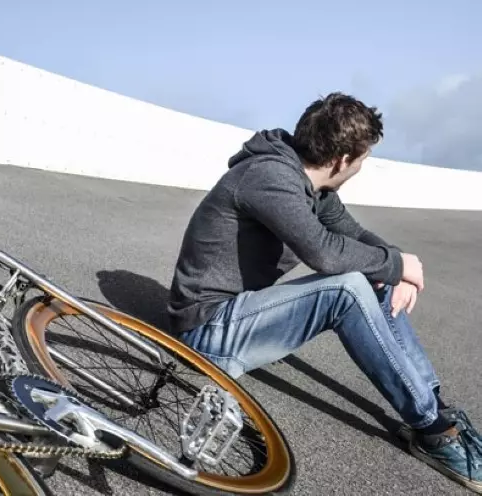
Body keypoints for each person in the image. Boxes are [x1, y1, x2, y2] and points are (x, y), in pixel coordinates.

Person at [167, 92, 481, 492]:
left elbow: (355, 237)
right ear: (342, 160)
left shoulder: (313, 189)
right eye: (364, 159)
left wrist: (398, 263)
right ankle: (431, 431)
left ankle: (435, 407)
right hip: (204, 331)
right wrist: (399, 265)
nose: (361, 167)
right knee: (347, 287)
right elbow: (323, 252)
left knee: (373, 274)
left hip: (239, 315)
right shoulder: (269, 178)